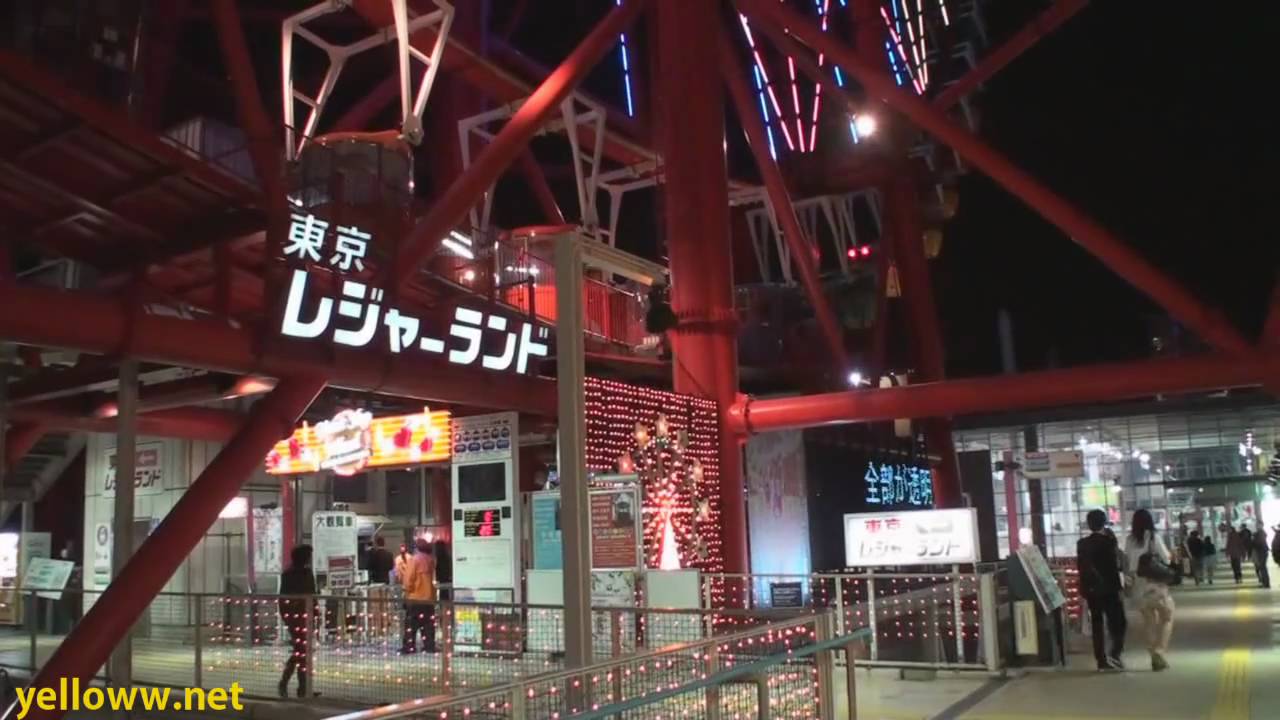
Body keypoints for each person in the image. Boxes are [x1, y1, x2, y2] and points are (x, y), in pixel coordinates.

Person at [1124, 509, 1175, 672]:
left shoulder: (1129, 540)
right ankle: (1159, 651)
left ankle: (1153, 655)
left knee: (1149, 621)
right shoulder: (1154, 537)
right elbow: (1167, 559)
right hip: (1154, 585)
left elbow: (1128, 562)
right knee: (1167, 617)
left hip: (1138, 586)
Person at [1078, 510, 1127, 671]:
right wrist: (1120, 588)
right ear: (1104, 523)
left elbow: (1081, 568)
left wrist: (1084, 590)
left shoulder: (1082, 544)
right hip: (1110, 589)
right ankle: (1115, 653)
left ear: (1089, 524)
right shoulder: (1109, 542)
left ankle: (1101, 660)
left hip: (1092, 590)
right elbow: (1115, 566)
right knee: (1118, 623)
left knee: (1097, 624)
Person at [278, 545, 317, 698]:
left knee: (301, 651)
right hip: (300, 616)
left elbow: (283, 597)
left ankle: (300, 686)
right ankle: (298, 686)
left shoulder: (289, 573)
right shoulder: (303, 573)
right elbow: (311, 594)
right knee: (301, 651)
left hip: (298, 616)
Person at [400, 538, 437, 654]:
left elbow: (408, 580)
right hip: (429, 598)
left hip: (415, 598)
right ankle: (429, 646)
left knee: (411, 625)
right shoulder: (431, 560)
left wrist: (407, 591)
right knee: (428, 625)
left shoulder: (414, 560)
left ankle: (409, 647)